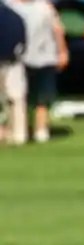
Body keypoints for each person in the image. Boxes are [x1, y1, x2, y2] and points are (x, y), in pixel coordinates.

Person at [10, 0, 65, 144]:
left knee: (42, 98)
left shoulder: (44, 7)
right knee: (20, 98)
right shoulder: (9, 6)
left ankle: (40, 131)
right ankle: (23, 130)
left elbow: (57, 30)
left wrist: (62, 51)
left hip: (44, 58)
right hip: (19, 60)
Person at [0, 0, 27, 145]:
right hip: (13, 62)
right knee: (16, 99)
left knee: (2, 100)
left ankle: (2, 132)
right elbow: (22, 42)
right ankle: (19, 134)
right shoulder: (15, 16)